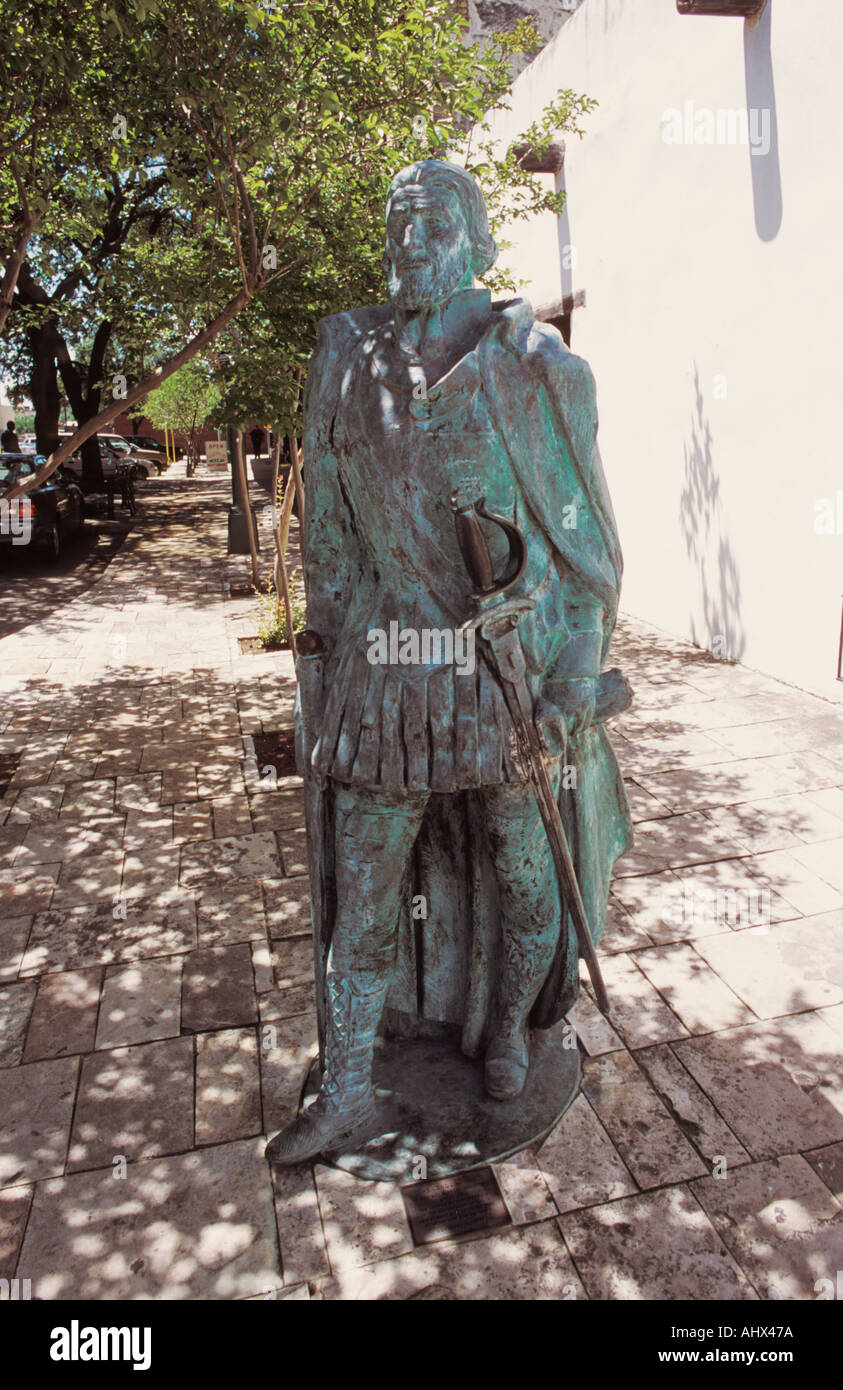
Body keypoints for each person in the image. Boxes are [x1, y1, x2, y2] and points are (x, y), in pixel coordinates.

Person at [267, 160, 633, 1165]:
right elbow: (331, 524)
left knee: (523, 873)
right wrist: (328, 641)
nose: (408, 246)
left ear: (473, 239)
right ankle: (345, 1086)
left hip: (502, 676)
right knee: (365, 887)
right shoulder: (346, 355)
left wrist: (573, 672)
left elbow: (582, 547)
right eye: (396, 226)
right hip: (387, 674)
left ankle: (510, 1037)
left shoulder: (535, 367)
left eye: (430, 226)